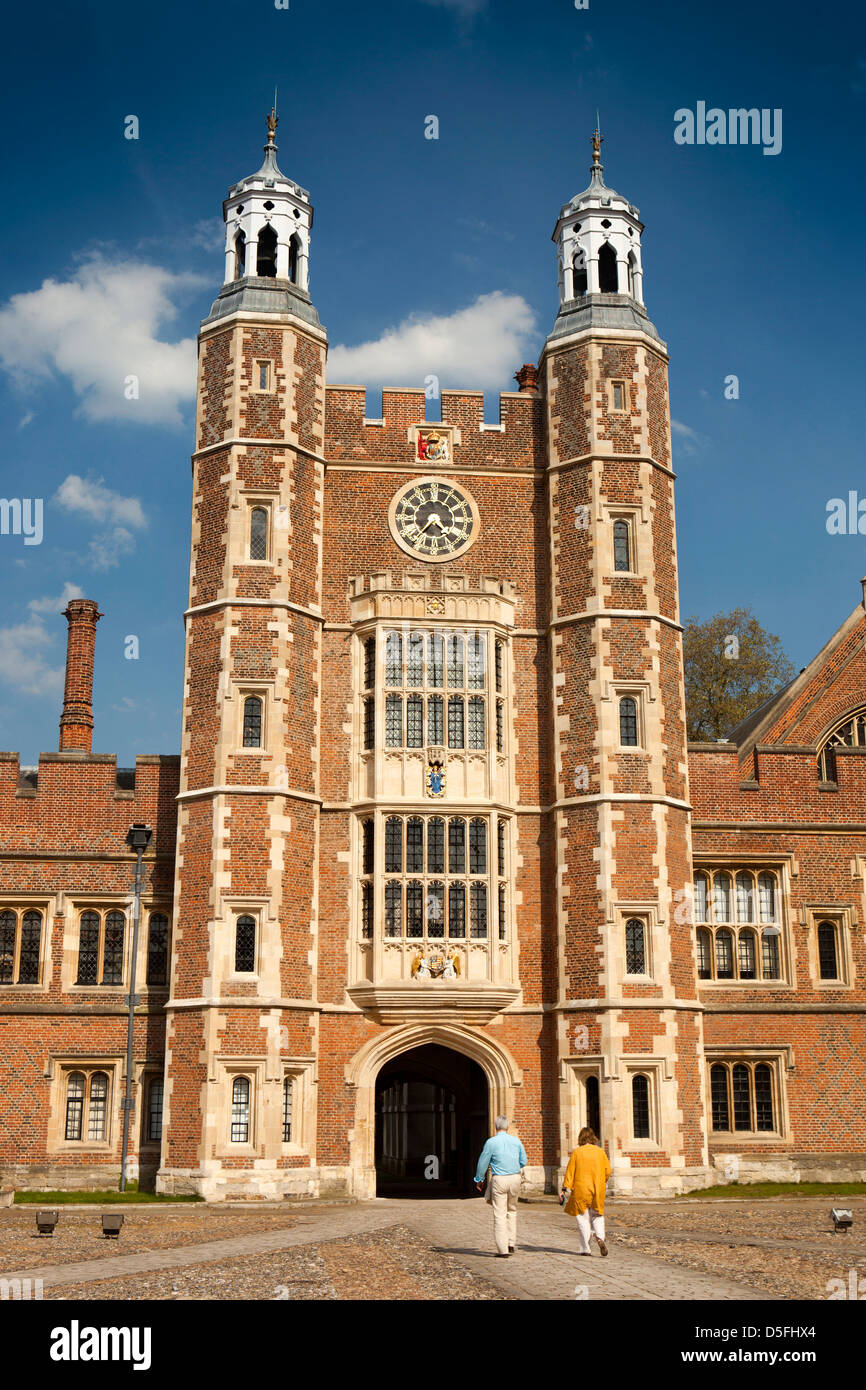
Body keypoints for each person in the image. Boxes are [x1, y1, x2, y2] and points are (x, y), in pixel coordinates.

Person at [474, 1115, 527, 1257]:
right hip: (515, 1178)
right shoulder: (516, 1141)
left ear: (495, 1127)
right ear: (508, 1127)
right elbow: (523, 1160)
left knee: (499, 1215)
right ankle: (511, 1244)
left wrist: (479, 1178)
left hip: (500, 1179)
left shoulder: (491, 1142)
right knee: (512, 1211)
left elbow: (483, 1162)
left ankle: (502, 1250)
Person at [560, 1126, 611, 1257]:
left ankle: (585, 1248)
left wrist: (564, 1189)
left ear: (581, 1138)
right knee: (597, 1215)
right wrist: (602, 1181)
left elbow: (570, 1173)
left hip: (581, 1189)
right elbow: (608, 1171)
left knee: (582, 1219)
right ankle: (600, 1237)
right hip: (597, 1189)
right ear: (593, 1137)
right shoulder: (600, 1152)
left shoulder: (577, 1153)